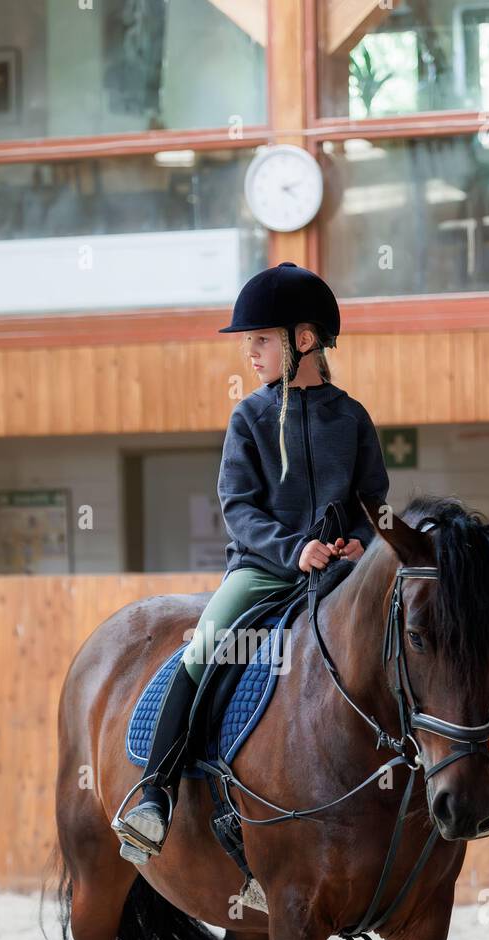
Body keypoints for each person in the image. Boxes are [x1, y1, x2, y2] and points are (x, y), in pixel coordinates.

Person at [112, 261, 389, 863]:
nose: (251, 353)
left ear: (304, 340)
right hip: (263, 570)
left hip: (339, 576)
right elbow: (238, 507)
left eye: (261, 339)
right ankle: (154, 794)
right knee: (205, 648)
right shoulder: (251, 417)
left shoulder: (353, 419)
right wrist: (295, 548)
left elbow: (375, 503)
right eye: (250, 342)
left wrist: (361, 542)